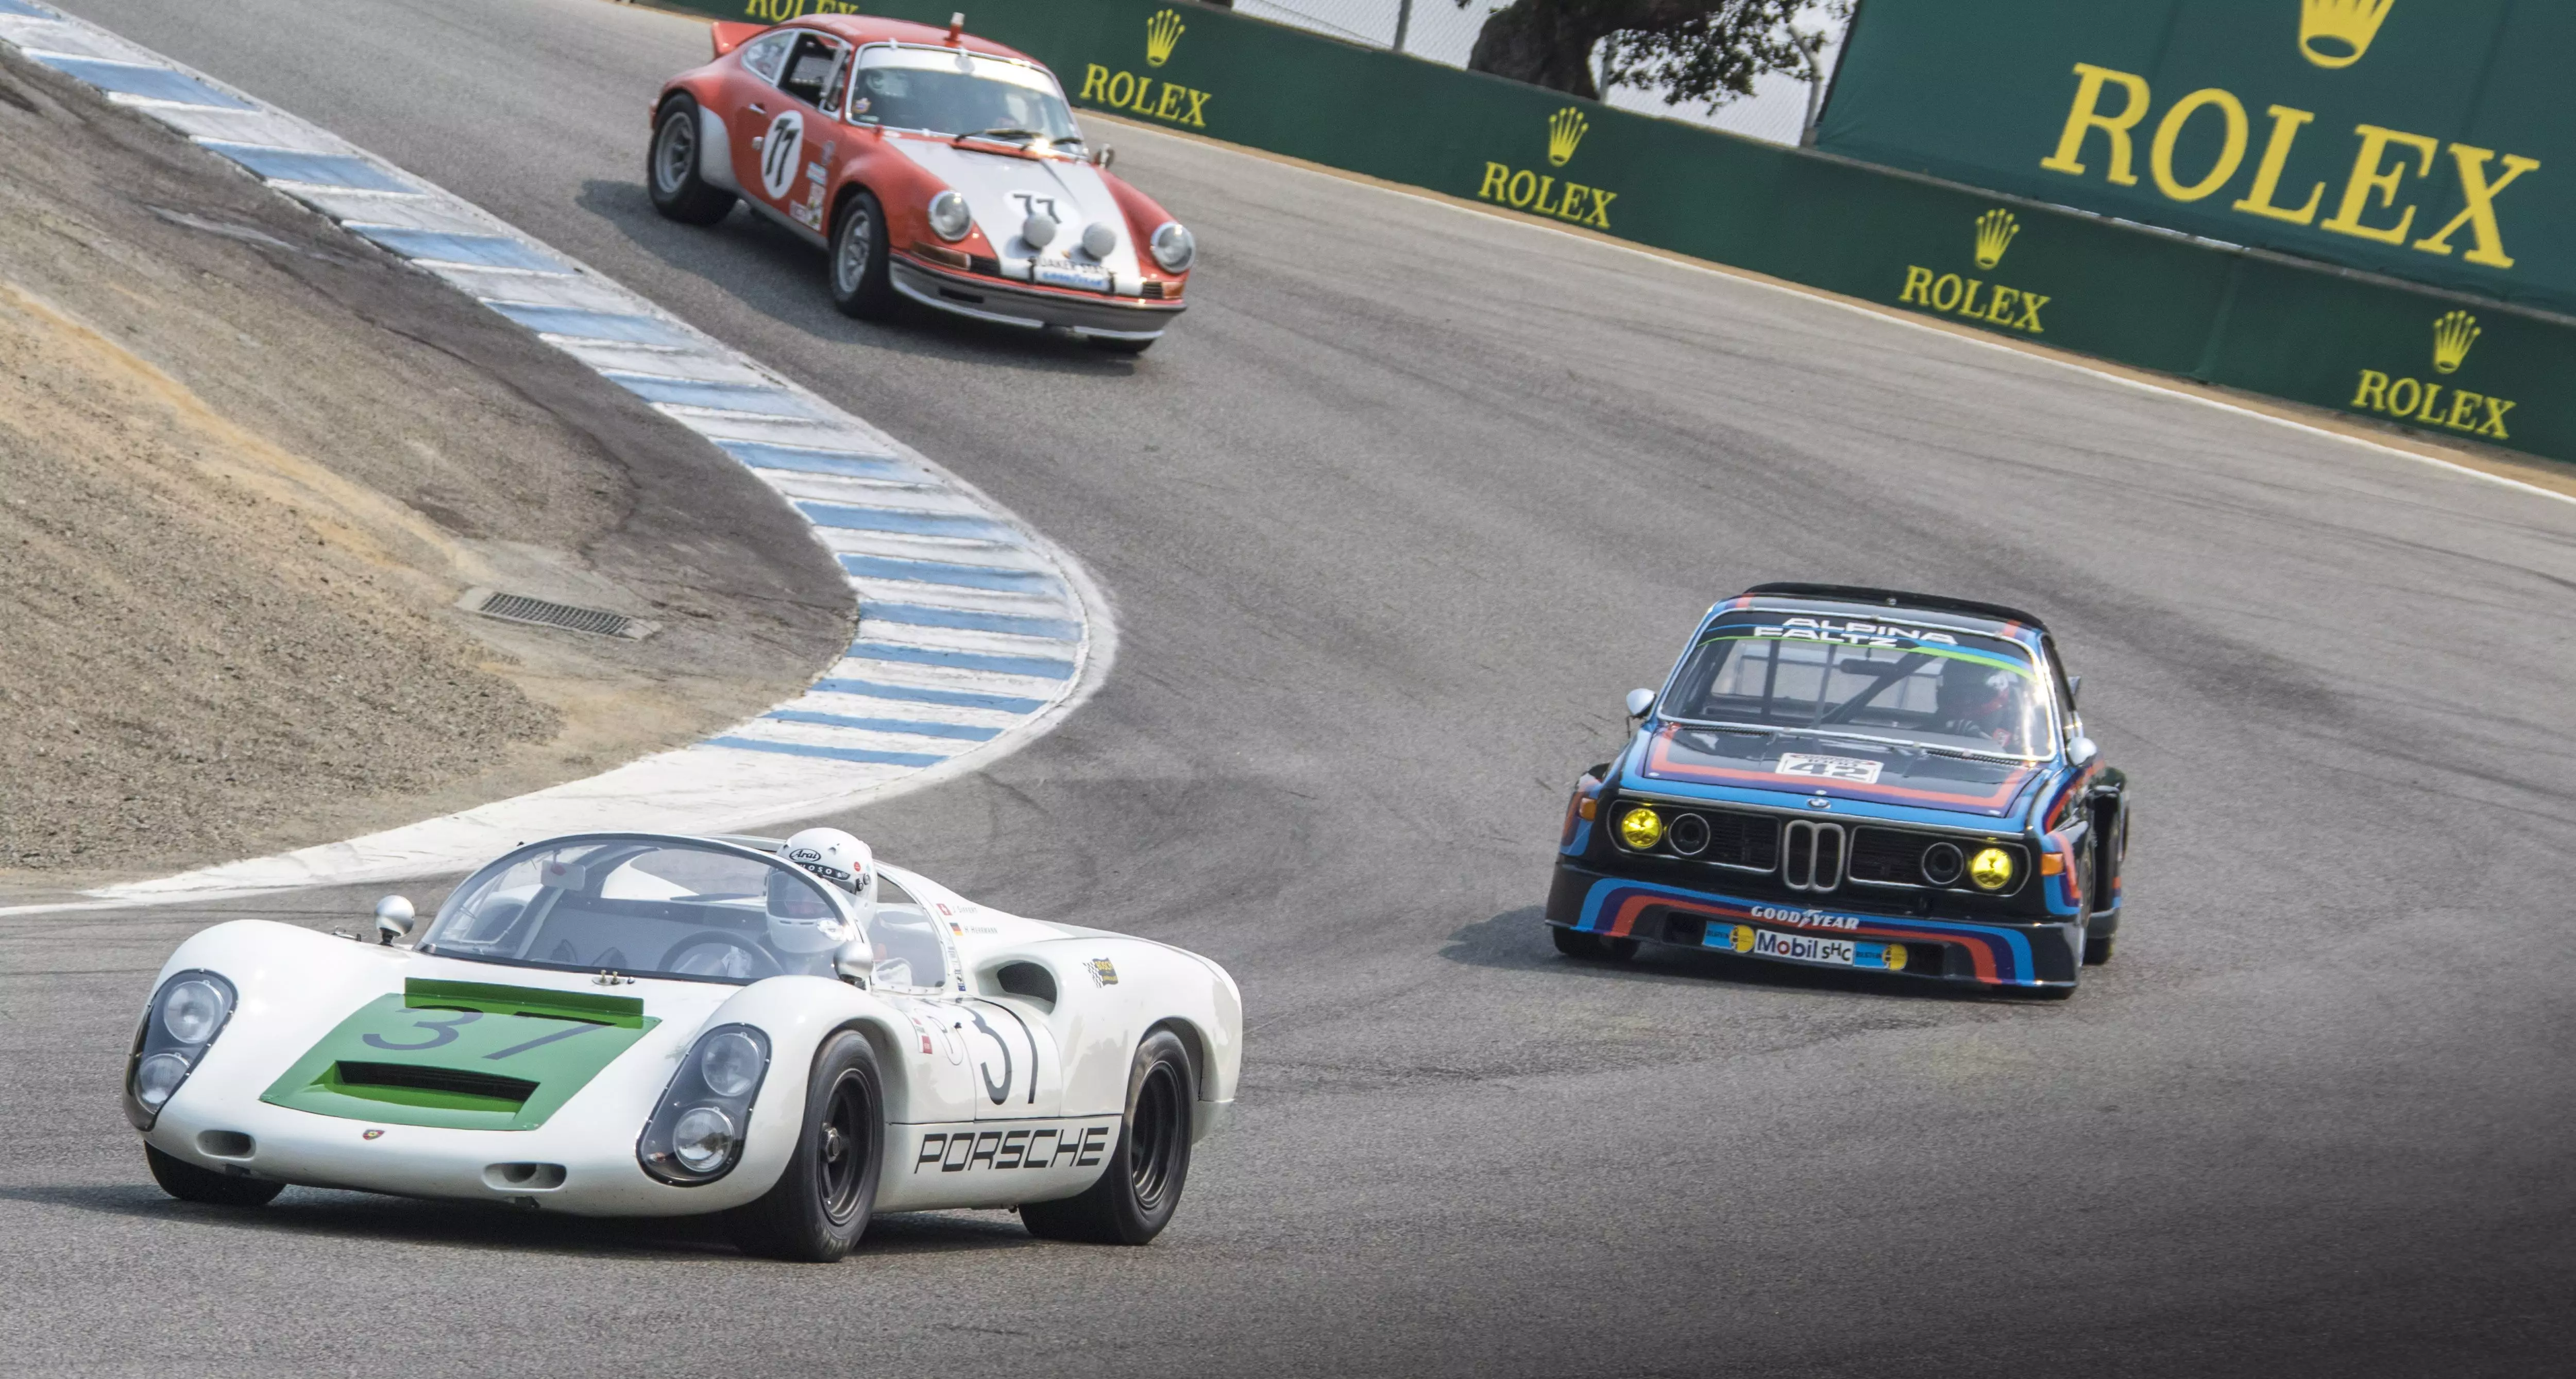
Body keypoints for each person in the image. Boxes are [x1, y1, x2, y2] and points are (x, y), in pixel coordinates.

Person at [765, 827, 876, 976]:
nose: (804, 909)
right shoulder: (743, 959)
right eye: (794, 895)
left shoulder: (884, 974)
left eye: (819, 898)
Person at [1933, 658, 2024, 747]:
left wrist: (1981, 737)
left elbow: (2012, 753)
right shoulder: (1933, 728)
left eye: (1977, 696)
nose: (1966, 702)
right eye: (1956, 695)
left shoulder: (2015, 733)